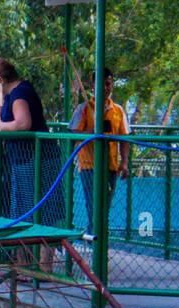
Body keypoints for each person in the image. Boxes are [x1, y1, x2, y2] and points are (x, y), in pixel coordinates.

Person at [0, 59, 63, 227]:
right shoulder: (8, 95)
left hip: (35, 160)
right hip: (24, 160)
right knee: (24, 215)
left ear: (0, 80)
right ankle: (27, 253)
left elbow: (22, 123)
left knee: (40, 218)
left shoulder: (20, 94)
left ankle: (40, 253)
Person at [71, 69, 130, 234]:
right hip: (90, 165)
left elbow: (125, 138)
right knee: (94, 204)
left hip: (111, 166)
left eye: (108, 84)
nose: (105, 88)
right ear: (92, 85)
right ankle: (95, 237)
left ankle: (96, 236)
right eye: (101, 84)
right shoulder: (84, 108)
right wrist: (91, 132)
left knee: (105, 205)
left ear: (112, 85)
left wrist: (124, 162)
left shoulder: (118, 111)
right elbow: (72, 134)